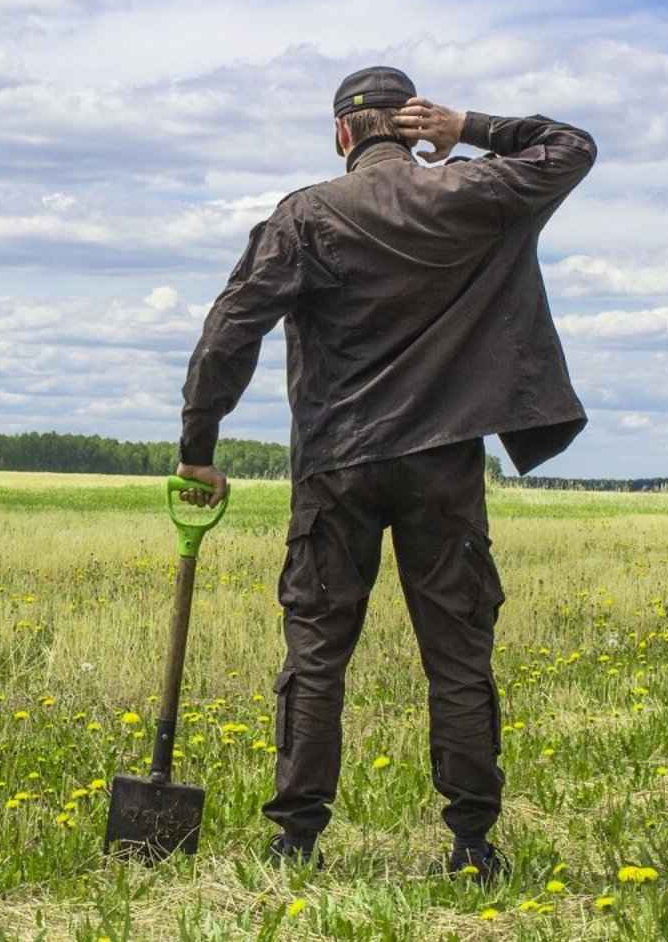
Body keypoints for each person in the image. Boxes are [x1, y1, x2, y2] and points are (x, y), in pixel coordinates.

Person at [173, 65, 597, 880]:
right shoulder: (471, 193)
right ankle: (474, 847)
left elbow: (231, 329)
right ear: (410, 126)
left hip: (337, 466)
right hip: (443, 463)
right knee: (459, 654)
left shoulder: (305, 215)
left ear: (341, 135)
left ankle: (295, 841)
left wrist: (199, 444)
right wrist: (468, 123)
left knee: (317, 652)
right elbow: (570, 147)